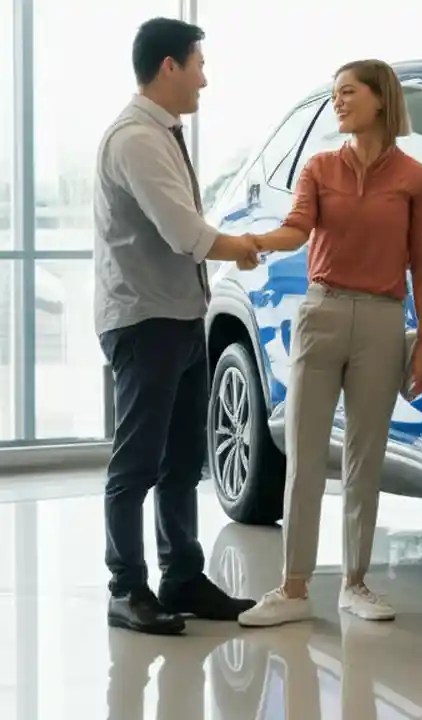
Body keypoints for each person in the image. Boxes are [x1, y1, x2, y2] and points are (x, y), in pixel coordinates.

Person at [237, 59, 422, 627]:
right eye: (335, 94)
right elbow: (298, 227)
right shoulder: (320, 167)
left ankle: (355, 583)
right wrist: (253, 241)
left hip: (382, 321)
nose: (338, 102)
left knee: (364, 458)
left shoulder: (415, 179)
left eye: (348, 92)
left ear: (380, 100)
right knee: (303, 455)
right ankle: (293, 588)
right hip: (321, 313)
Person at [93, 17, 260, 635]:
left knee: (184, 460)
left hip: (180, 317)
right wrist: (248, 244)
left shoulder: (161, 133)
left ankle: (182, 576)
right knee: (136, 463)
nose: (204, 79)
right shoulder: (135, 139)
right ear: (169, 67)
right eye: (197, 65)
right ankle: (126, 588)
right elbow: (185, 233)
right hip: (145, 321)